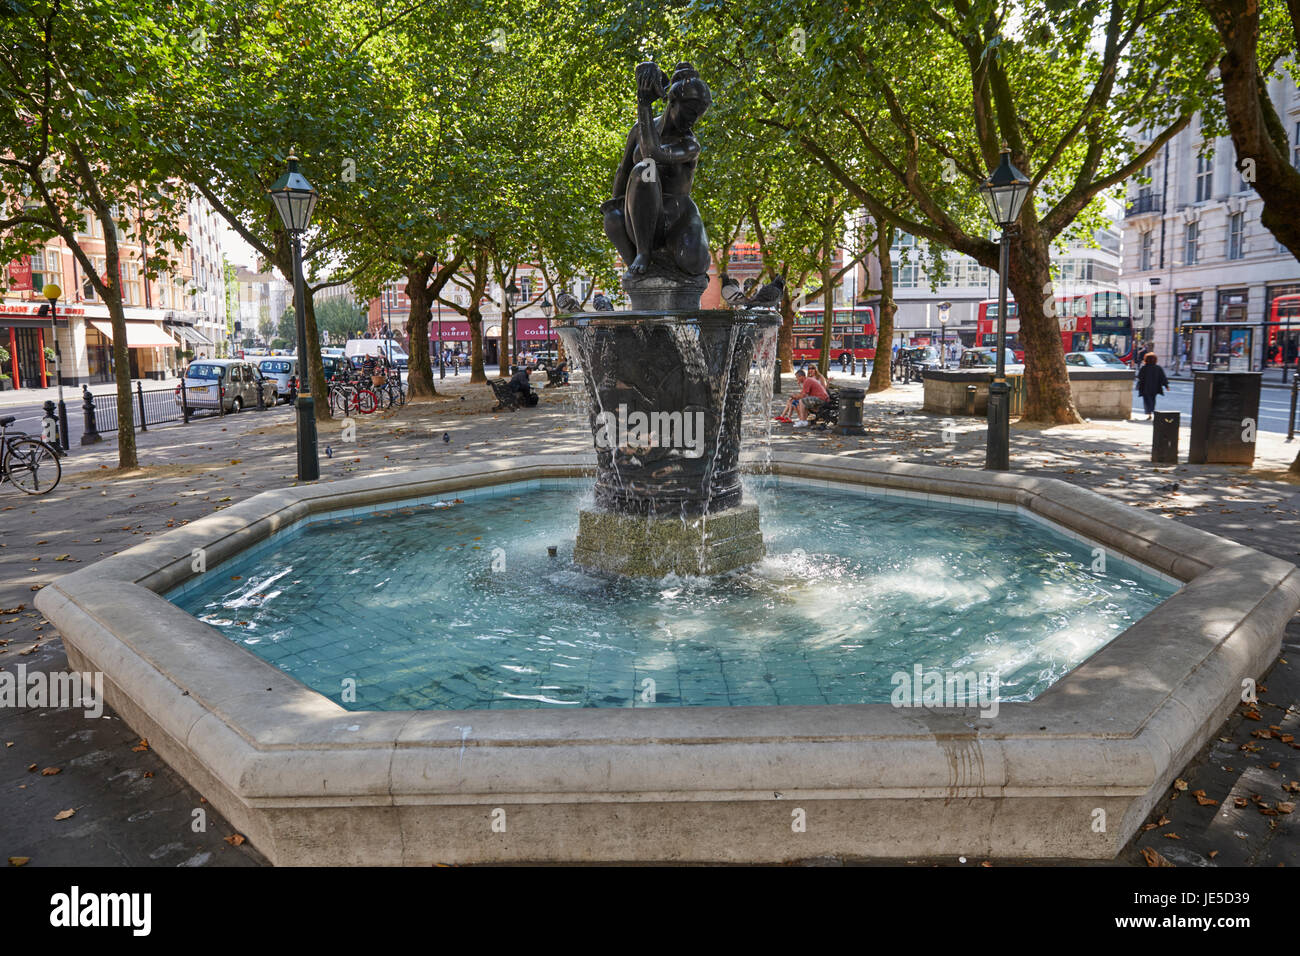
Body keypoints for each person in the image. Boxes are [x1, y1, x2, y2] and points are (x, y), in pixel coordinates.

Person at [1135, 351, 1169, 421]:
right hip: (1155, 388)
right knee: (1153, 400)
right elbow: (1163, 377)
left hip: (1145, 387)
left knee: (1147, 400)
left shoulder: (1144, 368)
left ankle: (1149, 412)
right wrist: (1166, 386)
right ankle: (1151, 411)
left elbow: (1140, 377)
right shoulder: (1158, 368)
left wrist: (1138, 386)